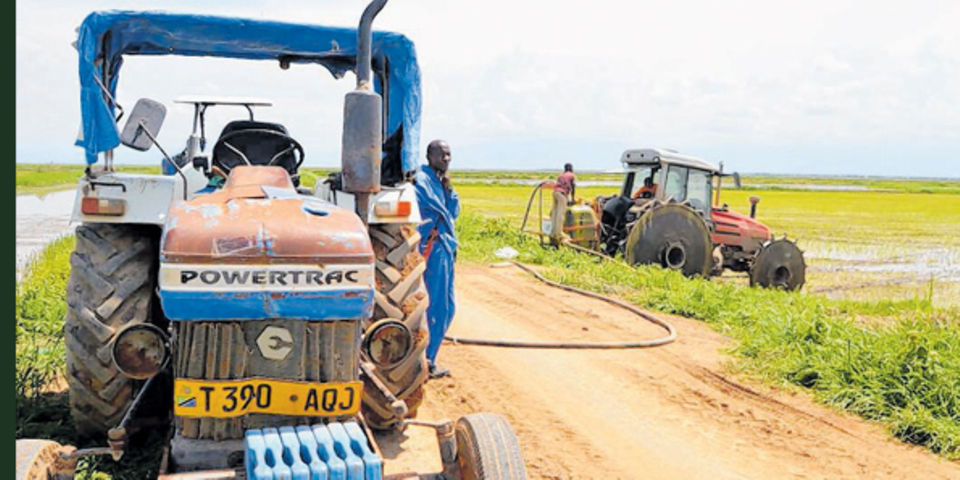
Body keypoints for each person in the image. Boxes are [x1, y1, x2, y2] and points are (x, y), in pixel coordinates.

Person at [414, 139, 460, 379]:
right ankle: (426, 360)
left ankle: (429, 355)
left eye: (449, 155)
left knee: (447, 306)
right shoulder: (421, 181)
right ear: (429, 156)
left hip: (445, 248)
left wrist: (449, 190)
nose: (446, 159)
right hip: (432, 248)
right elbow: (433, 211)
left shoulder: (440, 183)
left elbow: (452, 213)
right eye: (442, 155)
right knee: (437, 307)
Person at [548, 163, 576, 244]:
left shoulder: (561, 175)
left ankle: (553, 232)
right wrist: (573, 199)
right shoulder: (572, 175)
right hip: (562, 194)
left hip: (555, 192)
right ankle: (559, 233)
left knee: (555, 213)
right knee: (561, 213)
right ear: (571, 169)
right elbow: (573, 187)